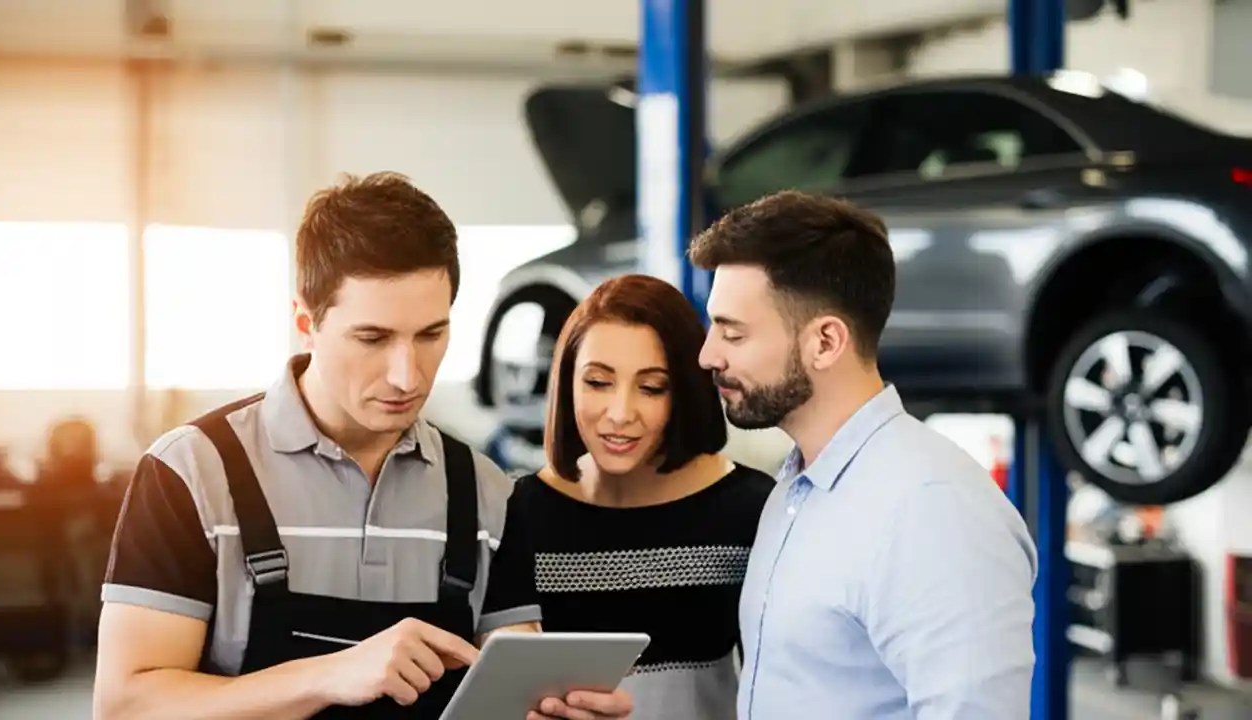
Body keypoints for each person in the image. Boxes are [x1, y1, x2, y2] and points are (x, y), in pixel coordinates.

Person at [92, 172, 632, 720]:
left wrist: (553, 710)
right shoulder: (190, 473)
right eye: (373, 339)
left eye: (430, 335)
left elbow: (509, 696)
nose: (406, 376)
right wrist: (330, 674)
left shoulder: (490, 494)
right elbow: (125, 708)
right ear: (305, 320)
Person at [689, 190, 1039, 719]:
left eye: (732, 332)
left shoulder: (932, 510)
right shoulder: (797, 489)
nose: (707, 354)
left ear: (826, 342)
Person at [482, 274, 775, 720]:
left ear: (685, 393)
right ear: (566, 384)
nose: (620, 414)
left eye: (652, 387)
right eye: (598, 382)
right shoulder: (518, 512)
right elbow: (498, 697)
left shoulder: (751, 511)